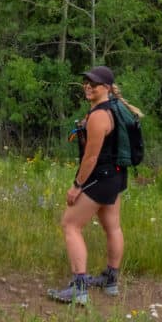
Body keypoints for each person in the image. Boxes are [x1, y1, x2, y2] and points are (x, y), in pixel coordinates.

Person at [47, 65, 134, 305]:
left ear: (105, 88)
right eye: (86, 82)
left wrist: (77, 185)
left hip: (100, 177)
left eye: (93, 84)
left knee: (70, 225)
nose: (87, 86)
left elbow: (91, 158)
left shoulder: (98, 116)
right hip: (116, 176)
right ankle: (110, 280)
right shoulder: (114, 110)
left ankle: (79, 287)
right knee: (112, 227)